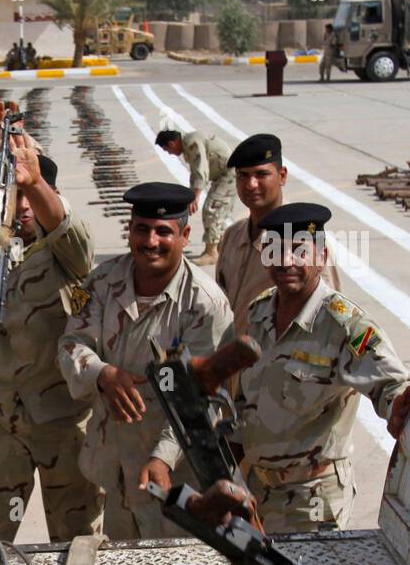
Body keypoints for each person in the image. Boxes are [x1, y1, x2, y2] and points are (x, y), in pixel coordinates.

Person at [0, 101, 104, 545]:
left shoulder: (69, 251)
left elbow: (66, 228)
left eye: (35, 197)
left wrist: (33, 180)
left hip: (62, 423)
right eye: (18, 196)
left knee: (76, 544)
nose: (26, 207)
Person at [58, 183, 234, 540]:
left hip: (175, 481)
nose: (150, 241)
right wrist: (102, 373)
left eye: (163, 231)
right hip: (117, 471)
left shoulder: (204, 305)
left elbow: (204, 401)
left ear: (184, 235)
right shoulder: (101, 283)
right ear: (130, 229)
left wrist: (163, 458)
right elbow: (71, 343)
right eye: (141, 229)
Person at [232, 203, 410, 532]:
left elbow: (390, 384)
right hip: (259, 491)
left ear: (321, 255)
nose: (287, 262)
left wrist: (397, 407)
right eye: (276, 251)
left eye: (299, 251)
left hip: (313, 501)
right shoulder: (259, 312)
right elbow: (247, 398)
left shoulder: (346, 325)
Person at [216, 133, 340, 336]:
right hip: (234, 360)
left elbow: (329, 313)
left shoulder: (303, 241)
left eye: (261, 174)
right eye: (243, 176)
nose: (251, 185)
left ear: (282, 176)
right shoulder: (232, 236)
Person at [155, 128, 235, 265]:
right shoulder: (188, 143)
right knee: (217, 211)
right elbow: (194, 174)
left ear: (172, 143)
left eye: (167, 150)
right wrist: (190, 196)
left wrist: (195, 197)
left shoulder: (191, 142)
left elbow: (201, 168)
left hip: (230, 173)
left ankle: (211, 252)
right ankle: (221, 247)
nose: (169, 153)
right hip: (224, 174)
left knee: (212, 209)